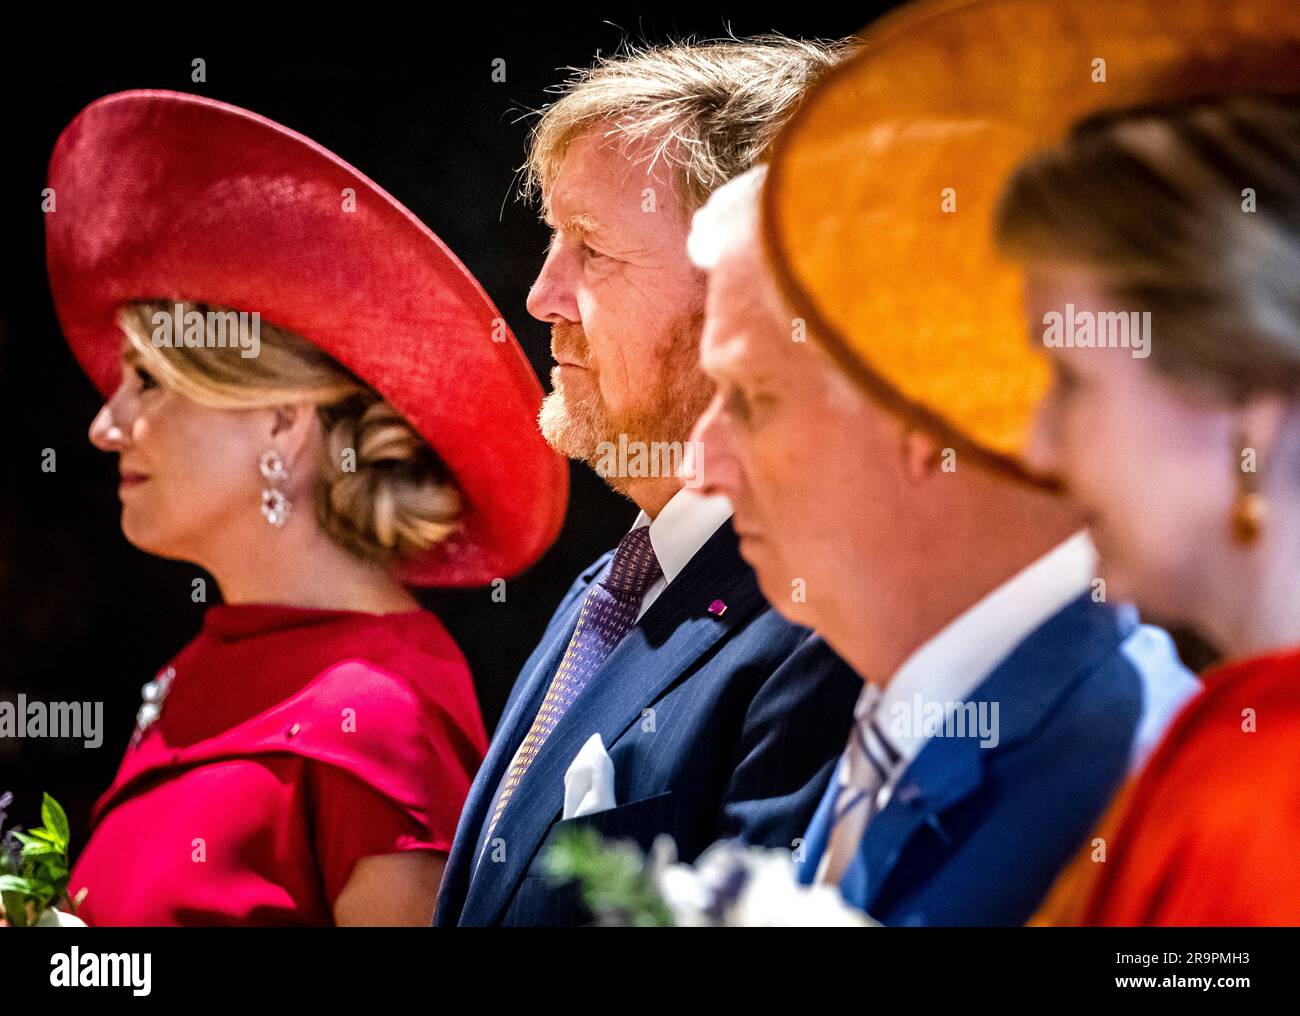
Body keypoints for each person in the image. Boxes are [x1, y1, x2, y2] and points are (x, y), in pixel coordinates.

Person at [684, 2, 1212, 923]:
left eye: (752, 399)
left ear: (924, 408)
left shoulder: (1139, 796)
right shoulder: (918, 703)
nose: (700, 465)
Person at [44, 90, 567, 926]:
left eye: (147, 383)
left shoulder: (384, 714)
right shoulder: (204, 667)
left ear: (283, 424)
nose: (106, 427)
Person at [435, 37, 863, 927]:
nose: (543, 296)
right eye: (554, 240)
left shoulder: (829, 628)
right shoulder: (610, 588)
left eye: (590, 247)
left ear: (751, 288)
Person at [997, 88, 1300, 925]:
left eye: (1070, 383)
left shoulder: (1270, 799)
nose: (1035, 449)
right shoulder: (1234, 734)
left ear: (1251, 419)